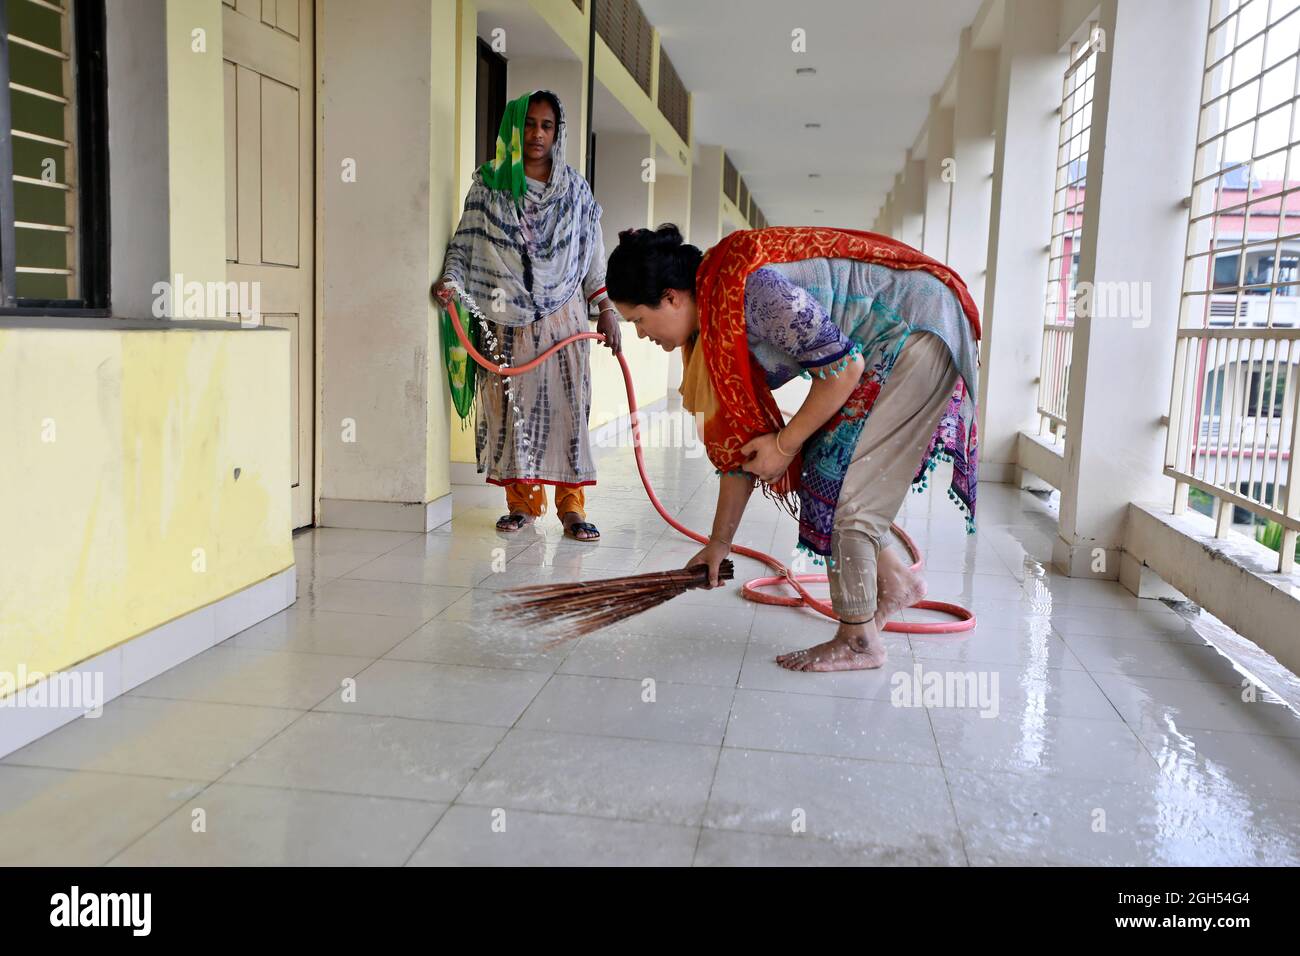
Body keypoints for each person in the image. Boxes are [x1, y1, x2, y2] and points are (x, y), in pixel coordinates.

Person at [605, 224, 980, 671]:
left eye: (639, 321)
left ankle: (860, 642)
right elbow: (741, 448)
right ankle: (895, 580)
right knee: (822, 468)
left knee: (846, 490)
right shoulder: (713, 327)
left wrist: (784, 443)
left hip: (917, 332)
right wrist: (718, 544)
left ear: (671, 297)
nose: (642, 335)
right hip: (887, 343)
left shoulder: (749, 291)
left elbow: (843, 369)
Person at [433, 90, 618, 541]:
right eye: (529, 124)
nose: (537, 134)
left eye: (546, 126)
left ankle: (572, 509)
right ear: (515, 129)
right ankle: (521, 505)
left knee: (568, 412)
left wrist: (607, 308)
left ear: (558, 132)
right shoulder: (489, 184)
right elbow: (465, 241)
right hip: (506, 319)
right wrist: (452, 281)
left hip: (565, 323)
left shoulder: (575, 190)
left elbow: (591, 256)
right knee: (513, 412)